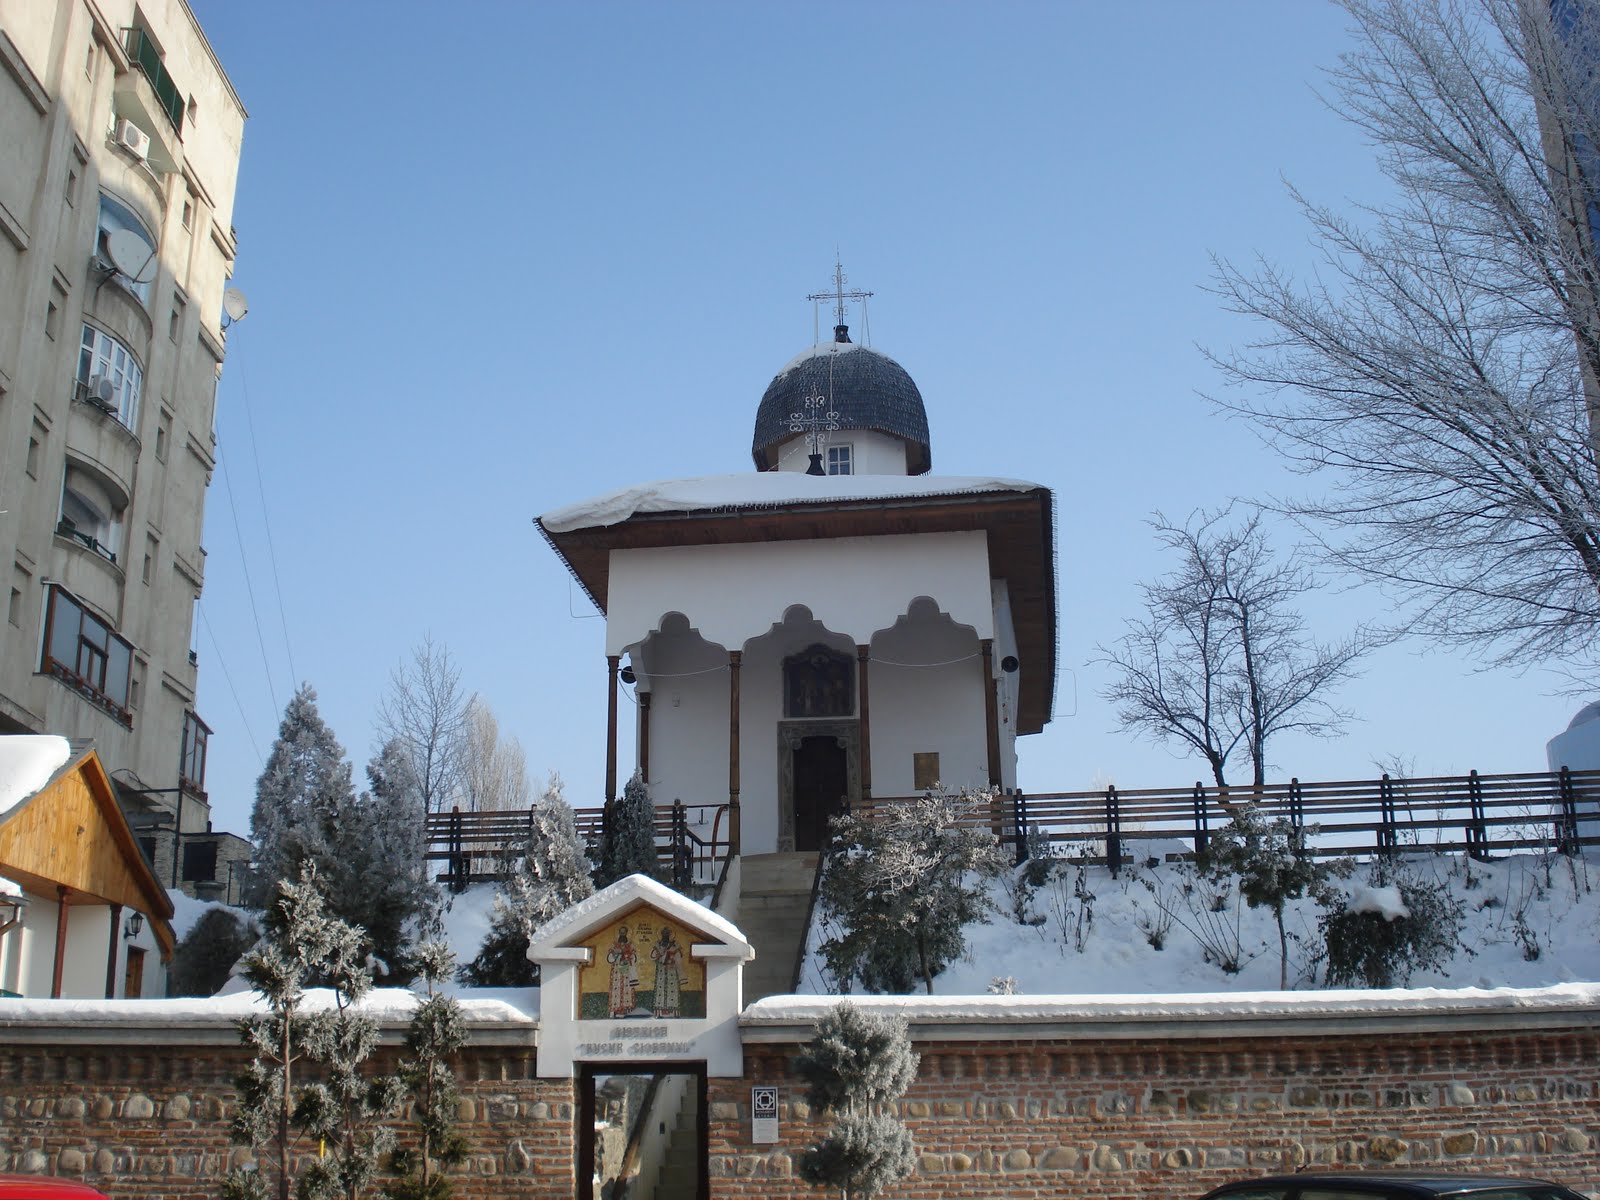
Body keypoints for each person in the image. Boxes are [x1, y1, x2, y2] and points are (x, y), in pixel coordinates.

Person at [651, 924, 684, 1018]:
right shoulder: (657, 945)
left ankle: (672, 1013)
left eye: (667, 934)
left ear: (670, 935)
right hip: (661, 971)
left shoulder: (674, 945)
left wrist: (673, 957)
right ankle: (659, 1012)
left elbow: (680, 956)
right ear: (661, 934)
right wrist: (658, 956)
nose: (665, 935)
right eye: (664, 933)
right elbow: (652, 956)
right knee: (660, 990)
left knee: (672, 990)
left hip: (671, 971)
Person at [606, 925, 638, 1017]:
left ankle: (627, 1010)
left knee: (627, 989)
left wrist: (629, 956)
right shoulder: (614, 945)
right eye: (621, 932)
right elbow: (610, 959)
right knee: (616, 989)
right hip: (617, 971)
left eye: (624, 932)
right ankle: (615, 1011)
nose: (622, 934)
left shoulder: (630, 945)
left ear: (627, 933)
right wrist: (617, 954)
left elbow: (634, 958)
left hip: (627, 970)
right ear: (619, 933)